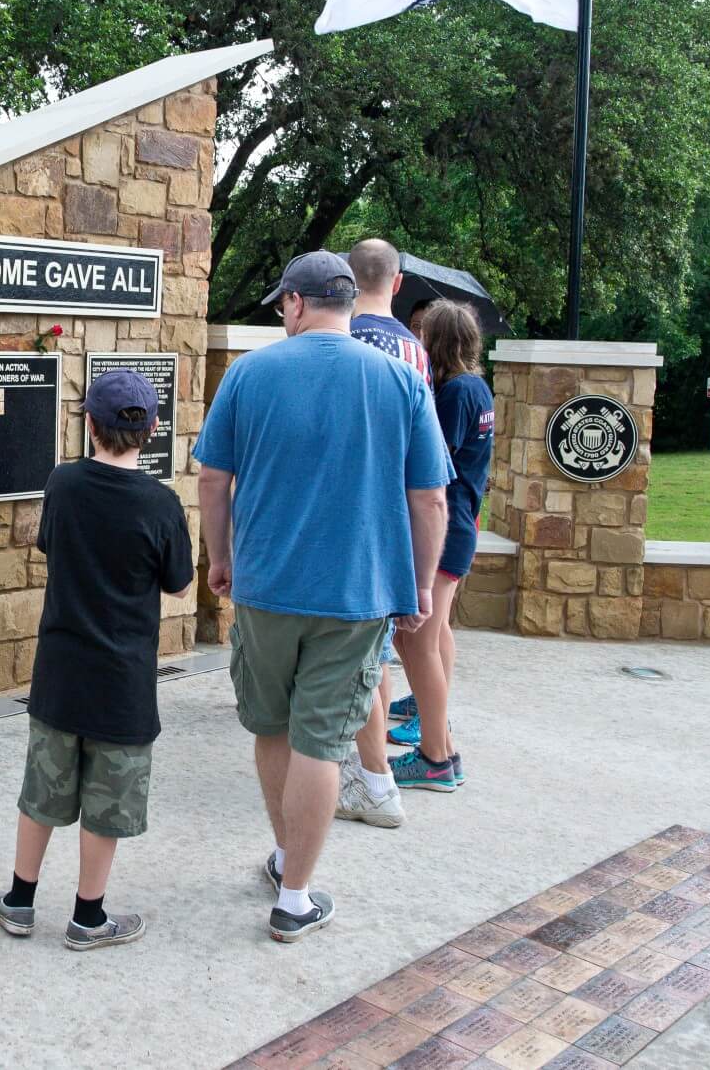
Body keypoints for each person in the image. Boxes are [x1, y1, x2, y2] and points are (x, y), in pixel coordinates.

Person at [196, 251, 451, 942]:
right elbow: (430, 499)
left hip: (266, 588)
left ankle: (286, 861)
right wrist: (420, 585)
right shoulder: (402, 382)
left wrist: (221, 560)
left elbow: (213, 482)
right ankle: (296, 895)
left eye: (282, 304)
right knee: (319, 741)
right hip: (358, 594)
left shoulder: (249, 375)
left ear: (296, 304)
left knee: (272, 728)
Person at [0, 369, 195, 951]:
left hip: (60, 672)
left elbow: (50, 543)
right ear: (152, 430)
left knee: (42, 792)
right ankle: (88, 915)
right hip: (123, 683)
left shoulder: (64, 484)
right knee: (108, 804)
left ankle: (19, 902)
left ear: (88, 423)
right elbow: (179, 585)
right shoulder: (161, 504)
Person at [330, 238, 431, 828]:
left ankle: (370, 777)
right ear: (397, 284)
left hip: (347, 512)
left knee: (355, 652)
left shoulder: (345, 338)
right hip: (392, 514)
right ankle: (369, 770)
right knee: (376, 648)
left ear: (347, 276)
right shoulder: (415, 354)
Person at [391, 300, 494, 793]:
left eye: (423, 336)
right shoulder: (477, 389)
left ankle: (434, 755)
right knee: (435, 633)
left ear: (437, 343)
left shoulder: (453, 395)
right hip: (462, 527)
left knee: (414, 638)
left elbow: (432, 463)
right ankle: (441, 740)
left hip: (444, 529)